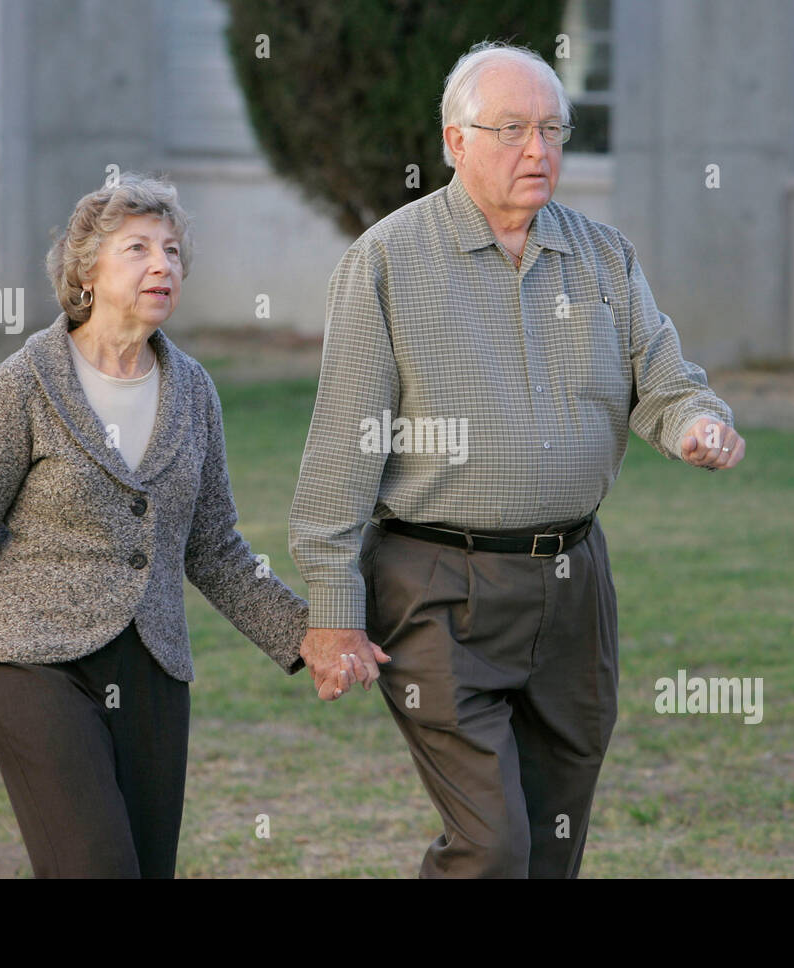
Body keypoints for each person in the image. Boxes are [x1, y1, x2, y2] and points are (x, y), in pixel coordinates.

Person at [289, 41, 747, 878]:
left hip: (574, 585)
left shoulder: (604, 256)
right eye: (510, 130)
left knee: (553, 839)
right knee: (492, 846)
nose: (537, 150)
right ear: (455, 141)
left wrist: (698, 424)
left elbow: (667, 383)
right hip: (437, 589)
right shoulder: (388, 262)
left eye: (552, 130)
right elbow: (342, 450)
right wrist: (332, 610)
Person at [0, 173, 314, 877]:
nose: (163, 265)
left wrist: (309, 636)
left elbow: (214, 548)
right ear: (87, 270)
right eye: (138, 248)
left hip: (153, 668)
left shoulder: (195, 391)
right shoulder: (22, 384)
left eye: (174, 251)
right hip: (34, 662)